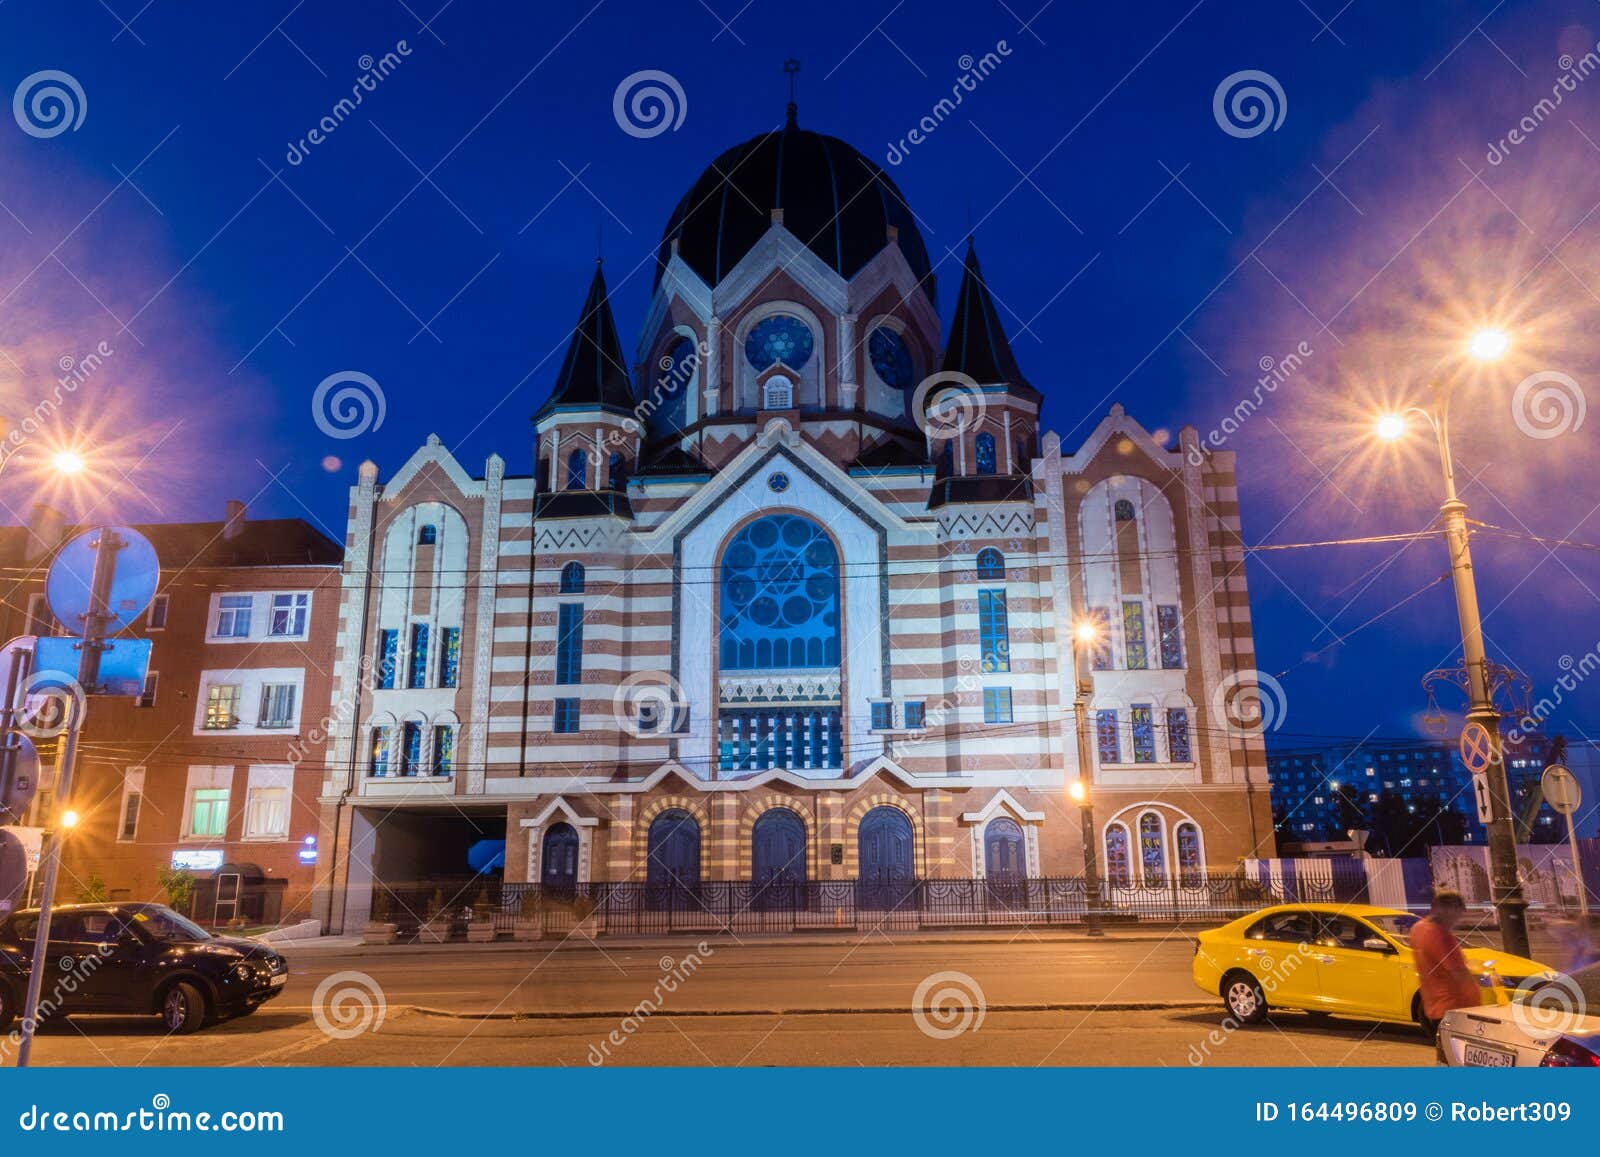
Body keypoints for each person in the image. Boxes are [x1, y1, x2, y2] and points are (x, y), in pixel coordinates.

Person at [1410, 889, 1482, 1032]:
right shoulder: (1442, 937)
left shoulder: (1417, 929)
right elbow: (1460, 974)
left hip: (1435, 1007)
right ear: (1449, 910)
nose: (1457, 920)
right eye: (1458, 914)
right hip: (1455, 1009)